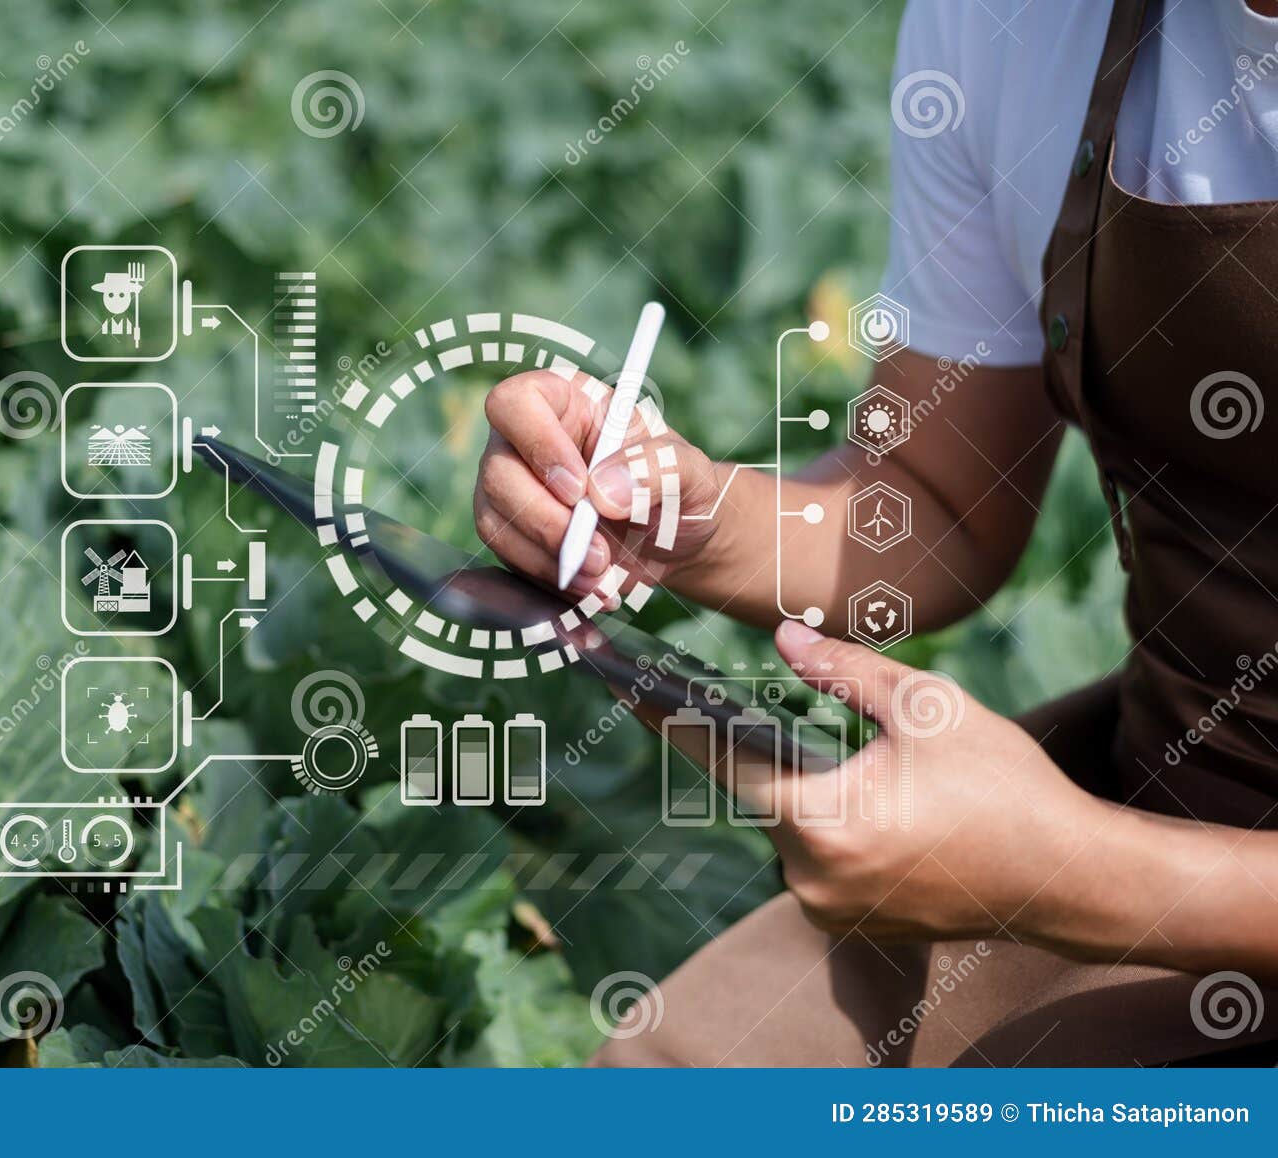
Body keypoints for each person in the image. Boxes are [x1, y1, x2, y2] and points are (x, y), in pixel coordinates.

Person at [474, 0, 1278, 1066]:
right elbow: (933, 497)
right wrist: (680, 518)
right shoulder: (1017, 25)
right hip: (1170, 793)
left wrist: (1084, 877)